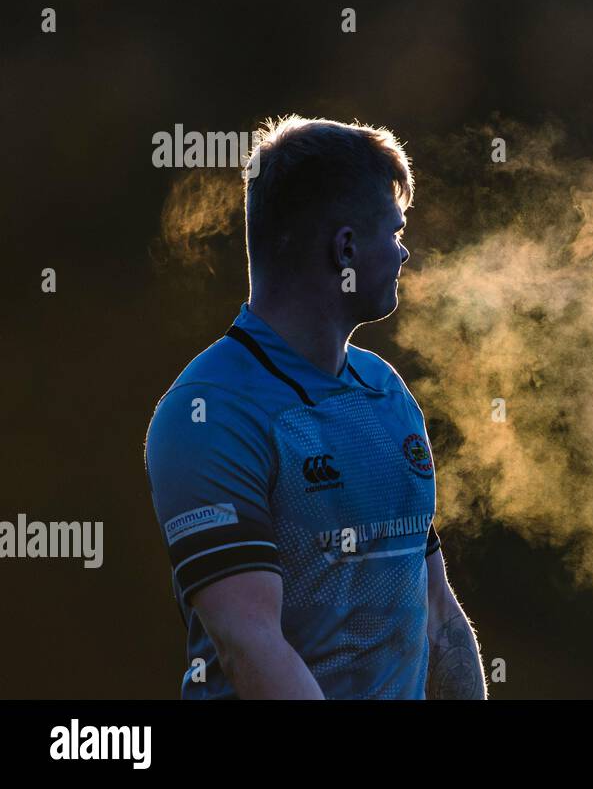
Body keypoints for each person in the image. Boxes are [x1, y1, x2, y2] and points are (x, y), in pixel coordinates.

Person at [145, 116, 486, 699]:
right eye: (396, 233)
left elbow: (436, 612)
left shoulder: (387, 393)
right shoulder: (210, 411)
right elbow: (250, 643)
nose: (403, 254)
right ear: (346, 247)